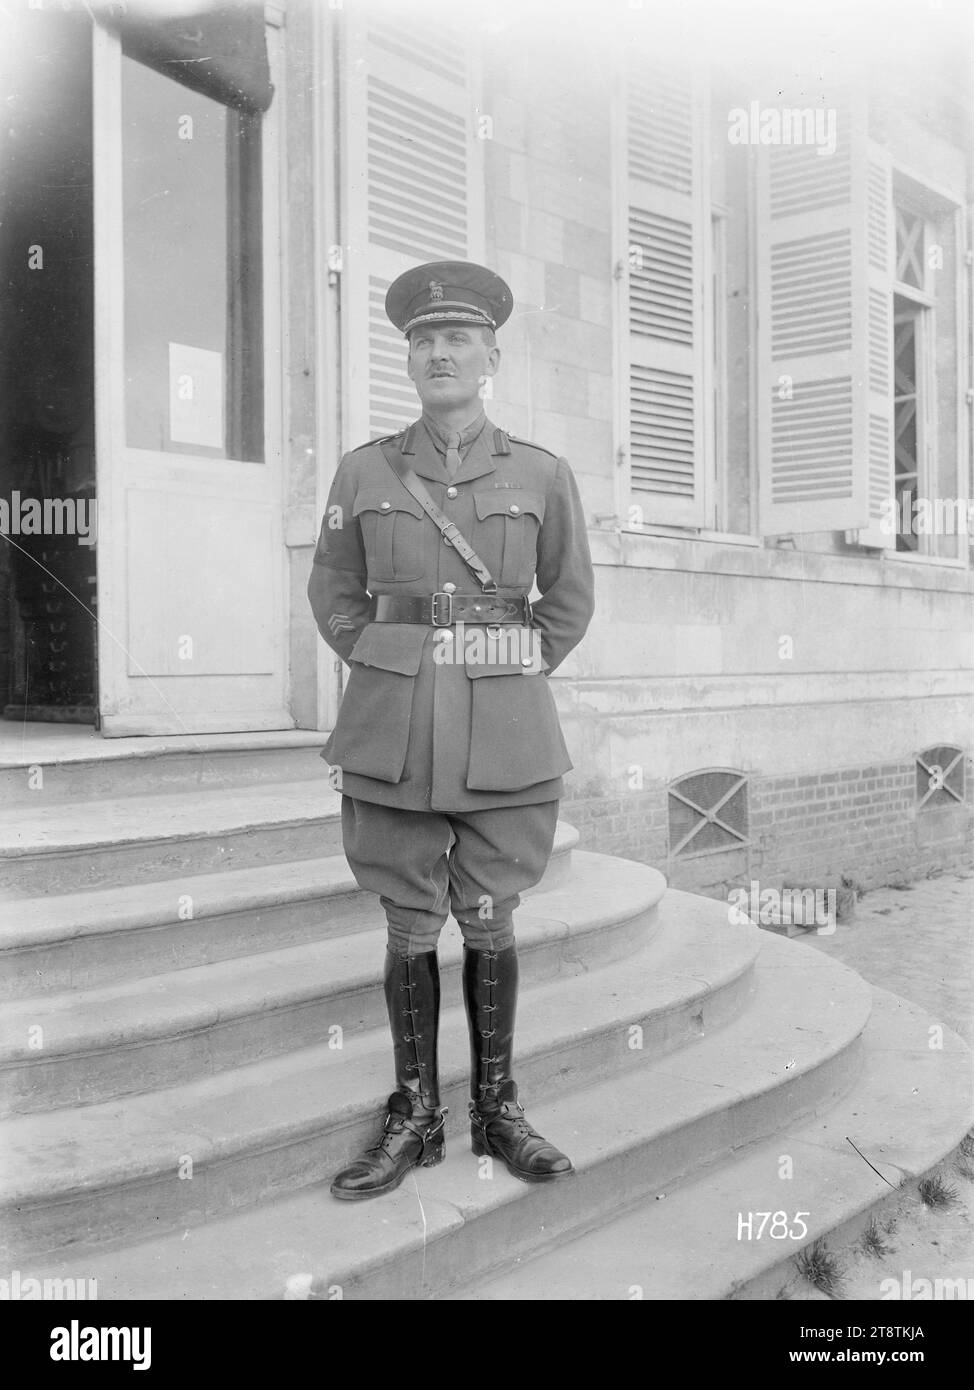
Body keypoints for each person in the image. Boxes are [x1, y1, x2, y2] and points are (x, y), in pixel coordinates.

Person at [308, 259, 595, 1200]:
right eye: (424, 341)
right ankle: (414, 1112)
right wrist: (389, 665)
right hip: (392, 730)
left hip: (502, 732)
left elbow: (569, 601)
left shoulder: (543, 475)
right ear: (410, 361)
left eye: (458, 340)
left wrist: (505, 671)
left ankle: (498, 1109)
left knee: (490, 915)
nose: (440, 353)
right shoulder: (364, 470)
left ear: (491, 358)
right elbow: (336, 593)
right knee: (405, 921)